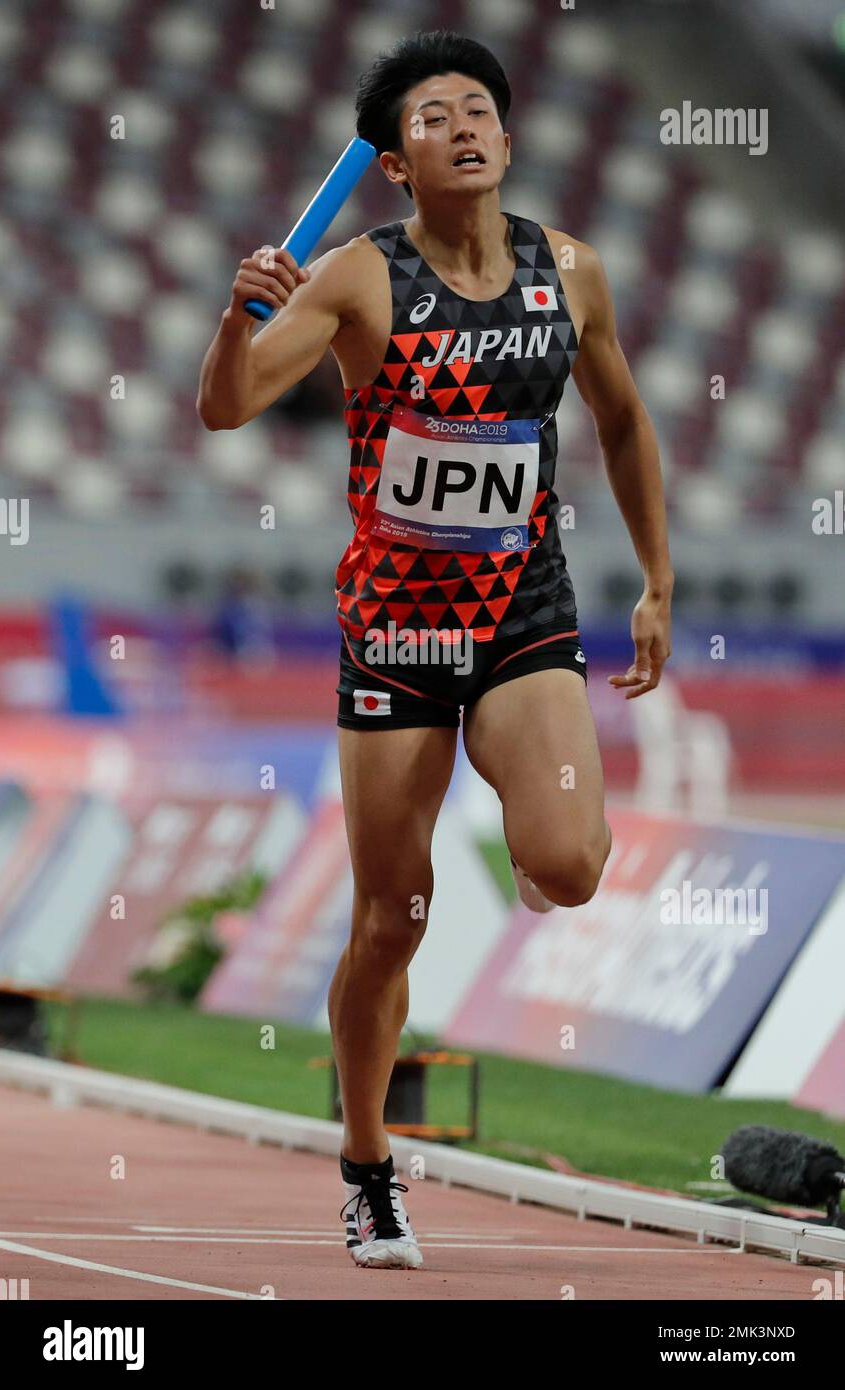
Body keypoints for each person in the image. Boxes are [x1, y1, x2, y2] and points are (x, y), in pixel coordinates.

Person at [197, 29, 674, 1271]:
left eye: (479, 109)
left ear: (508, 141)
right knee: (388, 921)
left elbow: (622, 419)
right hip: (397, 630)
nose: (462, 125)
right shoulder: (356, 277)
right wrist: (235, 320)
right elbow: (229, 403)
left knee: (569, 863)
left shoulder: (570, 271)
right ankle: (366, 1169)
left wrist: (661, 580)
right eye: (431, 117)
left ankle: (533, 839)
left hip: (524, 612)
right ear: (397, 163)